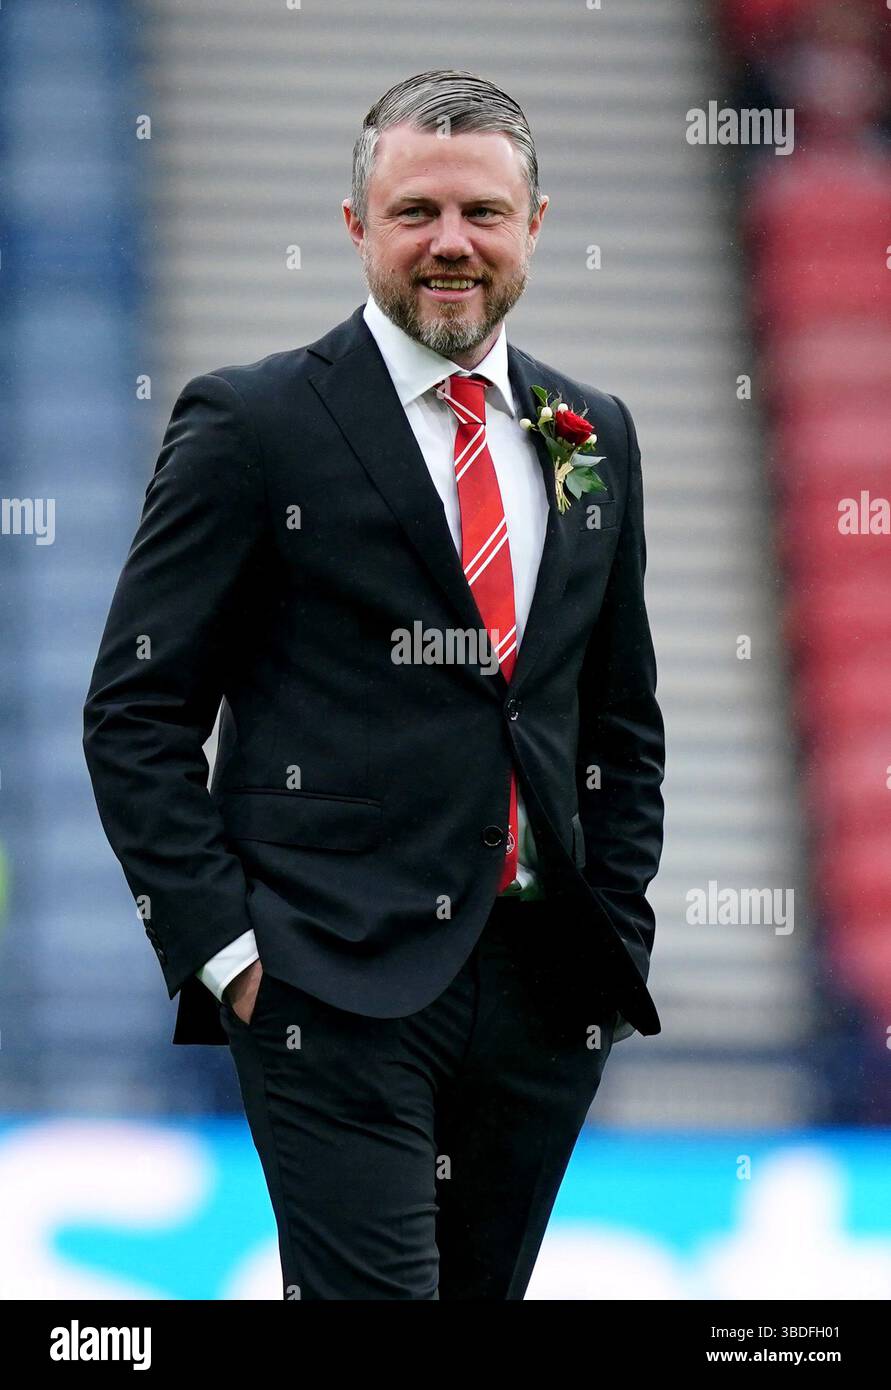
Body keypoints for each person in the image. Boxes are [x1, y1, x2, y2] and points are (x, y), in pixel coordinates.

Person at [83, 68, 665, 1300]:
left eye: (482, 213)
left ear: (535, 227)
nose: (450, 243)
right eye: (415, 213)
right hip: (324, 980)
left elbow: (620, 720)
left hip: (538, 993)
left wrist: (612, 934)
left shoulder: (592, 432)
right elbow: (135, 708)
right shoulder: (253, 424)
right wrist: (227, 949)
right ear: (357, 228)